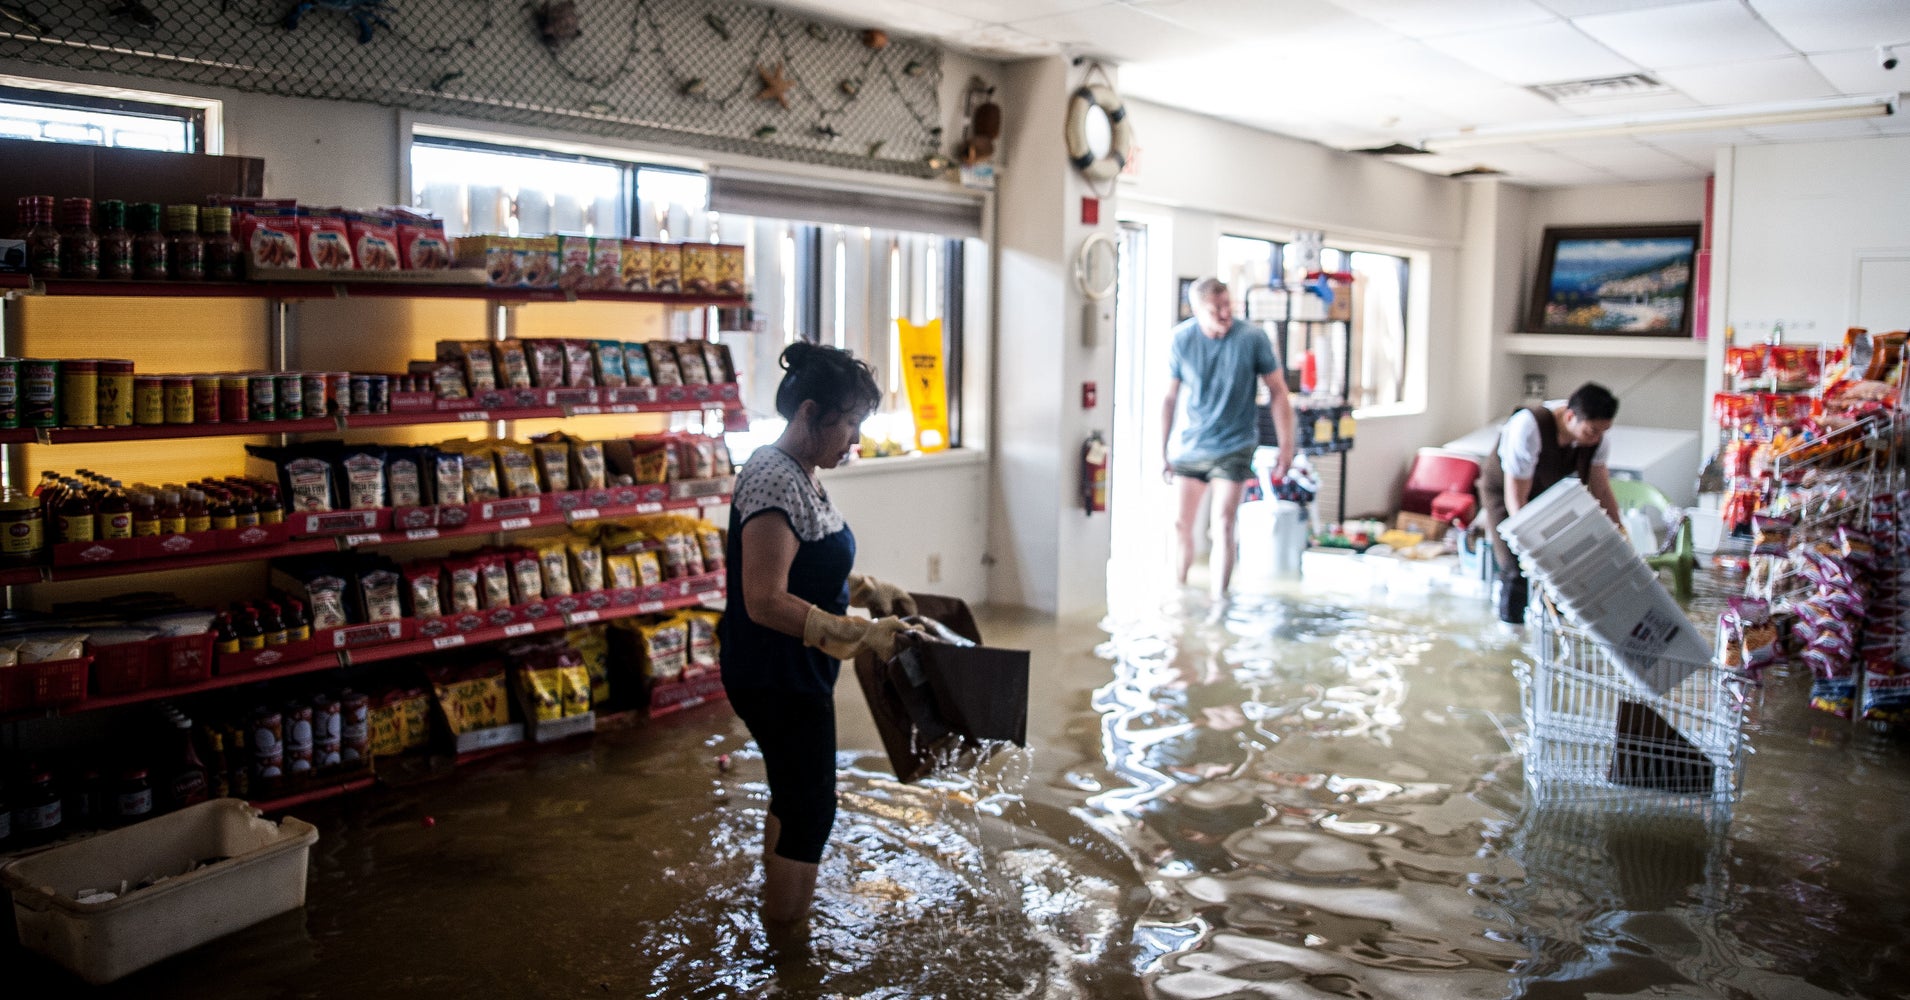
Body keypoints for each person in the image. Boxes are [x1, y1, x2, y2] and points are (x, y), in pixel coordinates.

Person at [719, 342, 922, 927]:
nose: (855, 440)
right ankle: (787, 947)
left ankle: (777, 911)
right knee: (812, 807)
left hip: (794, 668)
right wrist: (859, 636)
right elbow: (763, 599)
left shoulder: (800, 473)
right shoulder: (771, 478)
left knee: (795, 791)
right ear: (809, 413)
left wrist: (865, 590)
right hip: (775, 673)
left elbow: (807, 563)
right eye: (850, 423)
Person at [1161, 277, 1298, 598]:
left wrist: (1286, 446)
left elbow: (1278, 392)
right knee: (1181, 524)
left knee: (1222, 523)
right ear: (1196, 310)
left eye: (1228, 306)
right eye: (1215, 309)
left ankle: (1219, 599)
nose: (1225, 314)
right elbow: (1168, 398)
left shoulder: (1252, 338)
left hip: (1234, 444)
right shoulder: (1181, 340)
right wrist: (1162, 450)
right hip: (1190, 444)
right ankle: (1178, 590)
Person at [1478, 382, 1622, 625]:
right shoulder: (1529, 426)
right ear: (1569, 416)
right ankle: (1510, 629)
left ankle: (1555, 627)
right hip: (1504, 494)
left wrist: (1618, 530)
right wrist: (1528, 543)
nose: (1597, 437)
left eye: (1602, 431)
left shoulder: (1596, 440)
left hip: (1543, 495)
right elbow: (1516, 498)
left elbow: (1601, 489)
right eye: (1592, 431)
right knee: (1517, 566)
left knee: (1561, 562)